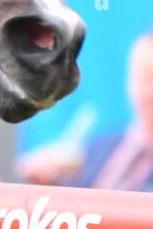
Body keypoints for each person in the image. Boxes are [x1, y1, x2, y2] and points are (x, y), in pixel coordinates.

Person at [17, 32, 153, 191]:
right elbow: (76, 201)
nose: (148, 92)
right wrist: (47, 183)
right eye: (143, 79)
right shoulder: (100, 149)